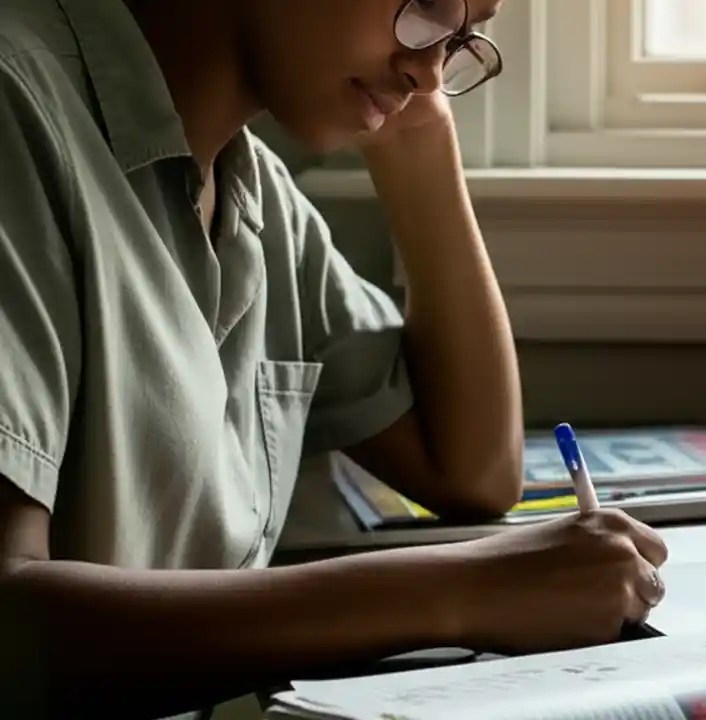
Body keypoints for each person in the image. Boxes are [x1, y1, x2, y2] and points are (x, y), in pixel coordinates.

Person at [0, 1, 669, 718]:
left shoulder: (251, 192)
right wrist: (458, 591)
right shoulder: (18, 110)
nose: (431, 68)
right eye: (430, 9)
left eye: (462, 39)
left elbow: (470, 471)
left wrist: (420, 140)